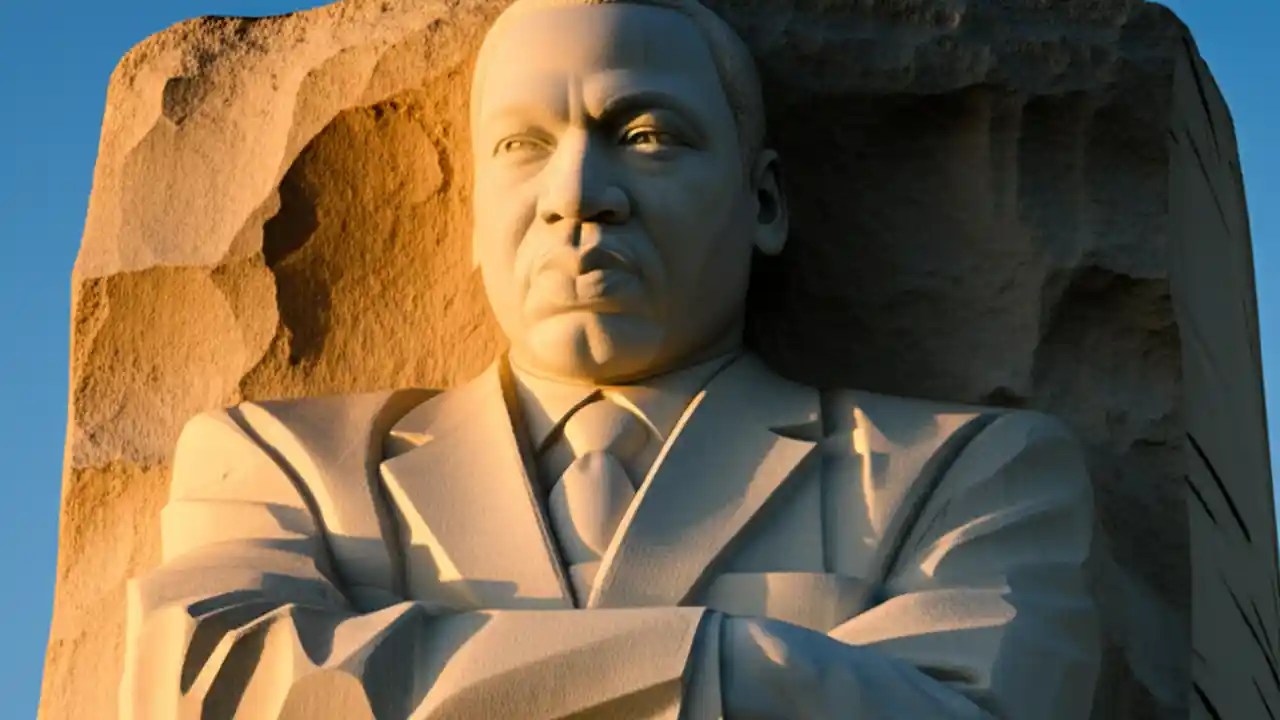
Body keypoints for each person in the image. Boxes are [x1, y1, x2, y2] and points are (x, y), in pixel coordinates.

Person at [121, 0, 1102, 717]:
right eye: (519, 145)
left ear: (761, 202)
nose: (577, 194)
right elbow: (209, 685)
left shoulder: (962, 475)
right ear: (470, 215)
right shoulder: (281, 465)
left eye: (643, 135)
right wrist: (737, 662)